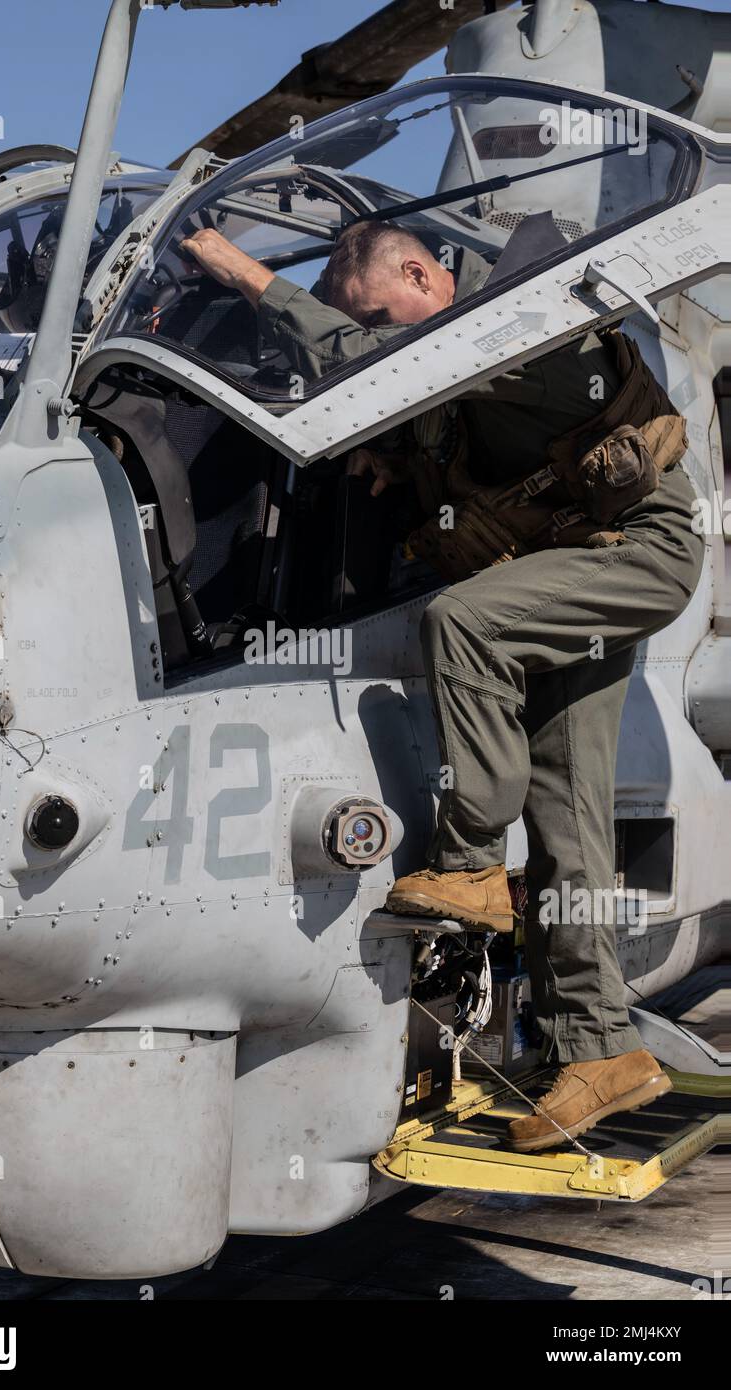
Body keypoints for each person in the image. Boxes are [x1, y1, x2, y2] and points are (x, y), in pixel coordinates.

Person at [182, 221, 704, 1152]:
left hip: (637, 554)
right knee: (568, 806)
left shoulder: (527, 324)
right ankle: (597, 1050)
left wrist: (251, 278)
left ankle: (469, 865)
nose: (376, 345)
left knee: (459, 622)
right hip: (571, 567)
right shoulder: (454, 377)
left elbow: (384, 362)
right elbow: (441, 421)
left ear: (425, 274)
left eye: (381, 318)